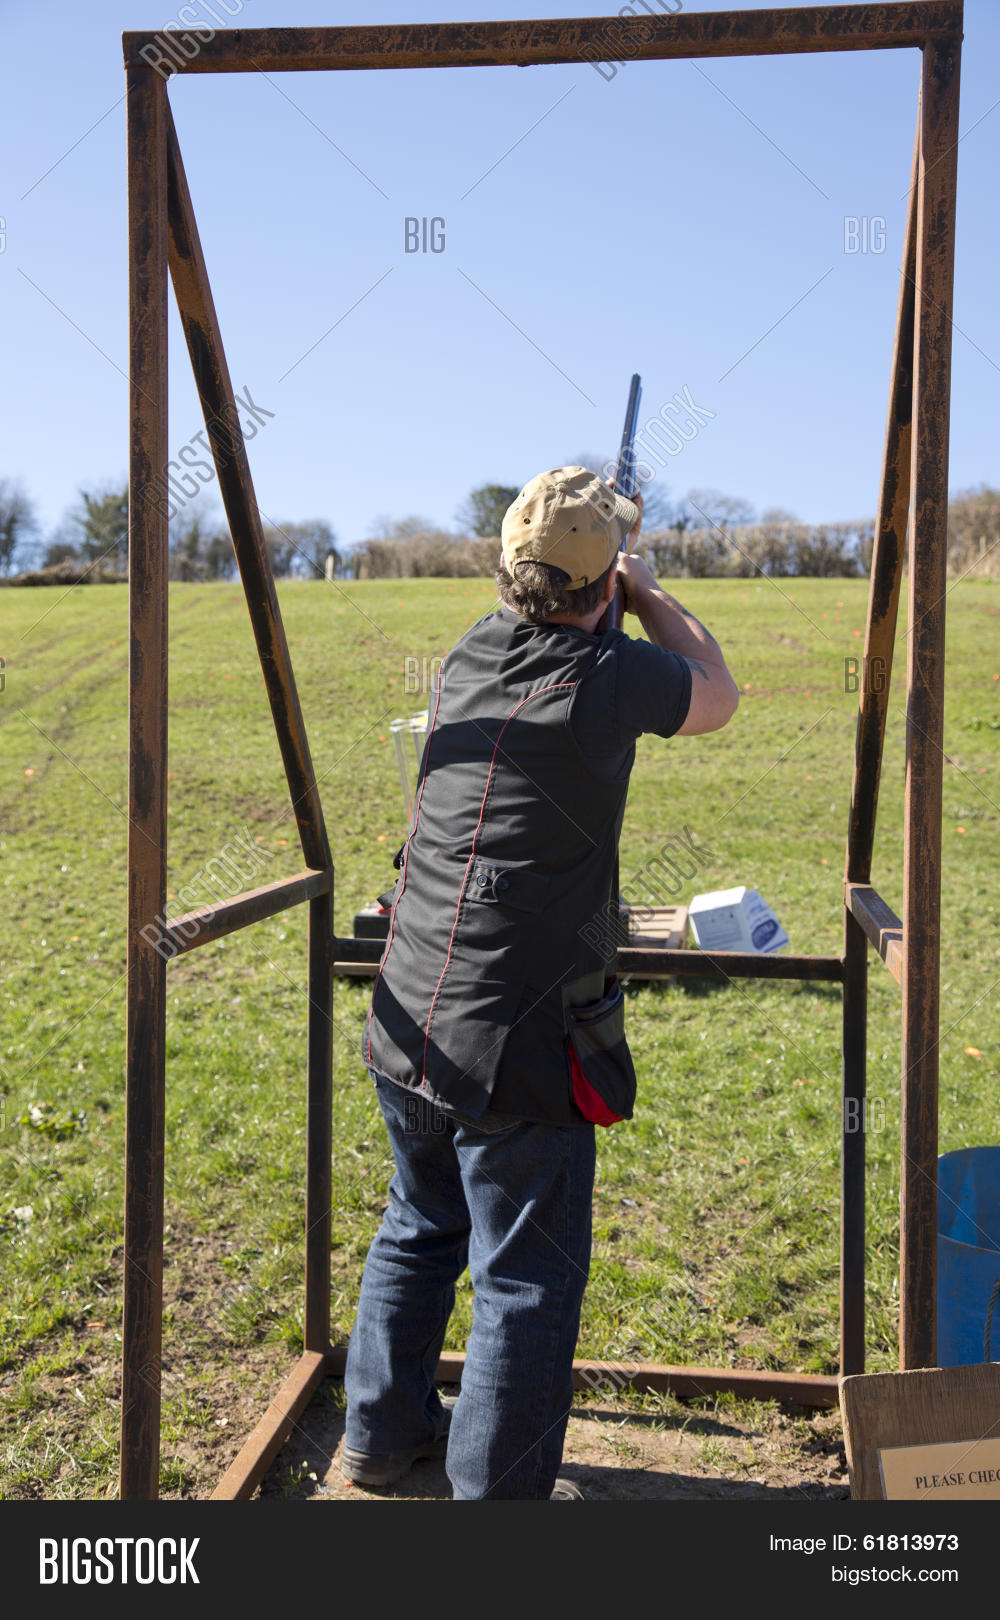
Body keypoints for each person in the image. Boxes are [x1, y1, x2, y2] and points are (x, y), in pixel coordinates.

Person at [342, 466, 739, 1499]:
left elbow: (552, 615)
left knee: (418, 1223)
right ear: (602, 585)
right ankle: (501, 1512)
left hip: (409, 1013)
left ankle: (379, 1443)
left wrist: (605, 574)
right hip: (514, 1043)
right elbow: (719, 694)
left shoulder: (470, 649)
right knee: (523, 1280)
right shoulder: (614, 672)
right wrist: (648, 592)